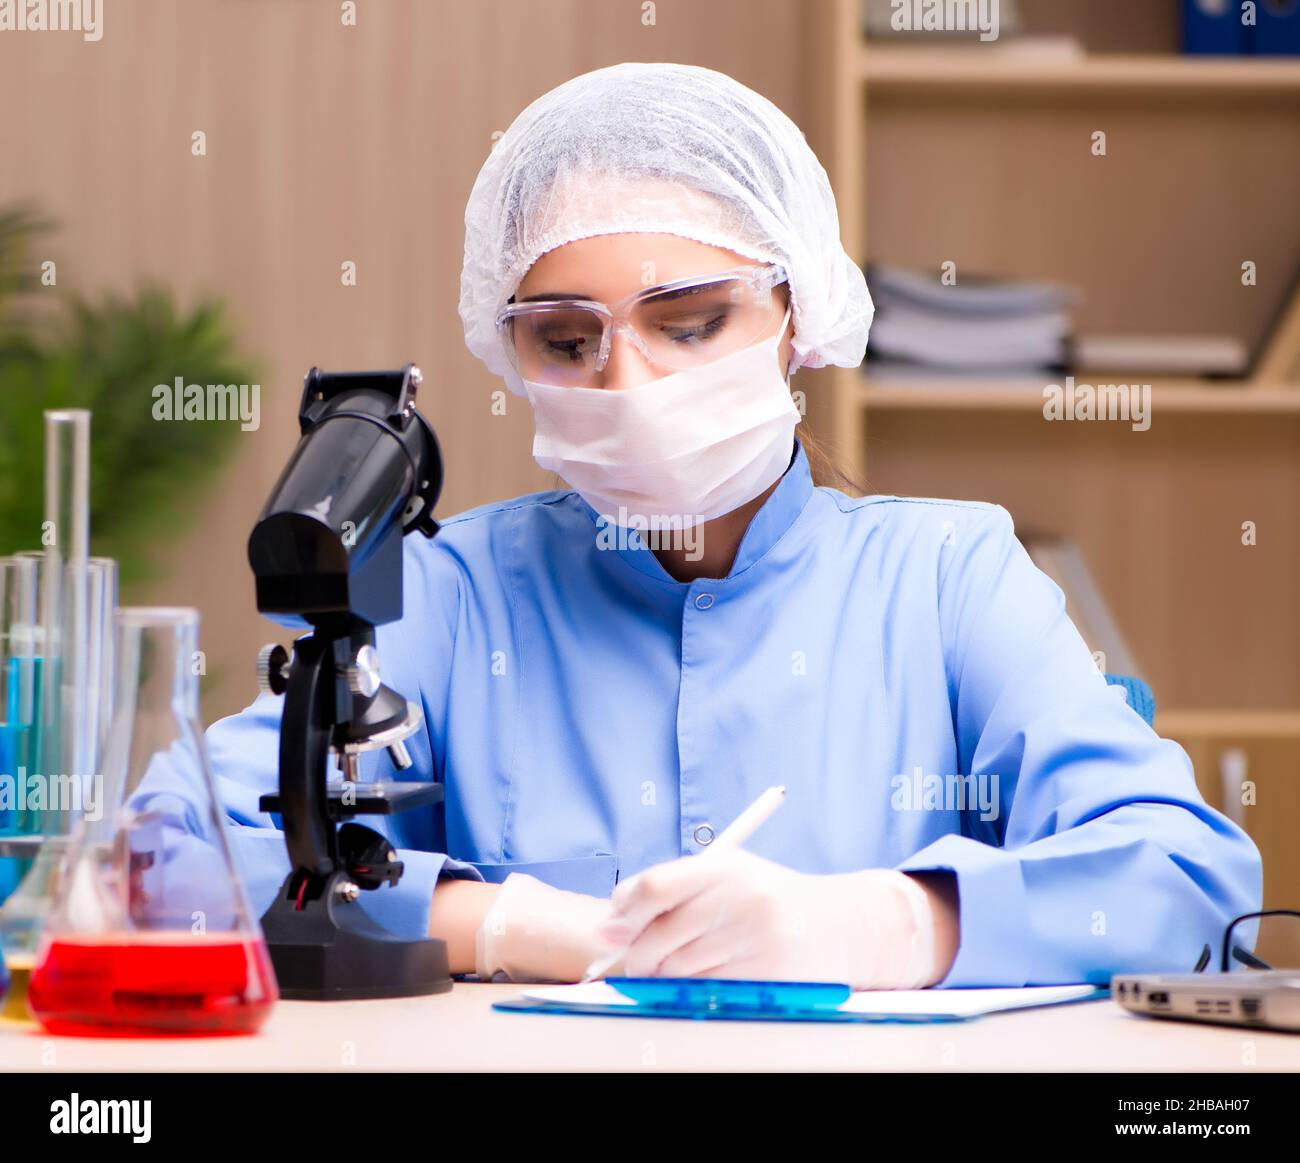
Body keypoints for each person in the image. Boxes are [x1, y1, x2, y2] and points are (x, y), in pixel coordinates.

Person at [198, 62, 1260, 988]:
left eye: (691, 323)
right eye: (566, 341)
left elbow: (1185, 877)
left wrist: (886, 923)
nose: (629, 382)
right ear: (506, 347)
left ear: (796, 316)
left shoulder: (948, 576)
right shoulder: (448, 590)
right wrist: (515, 924)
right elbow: (175, 851)